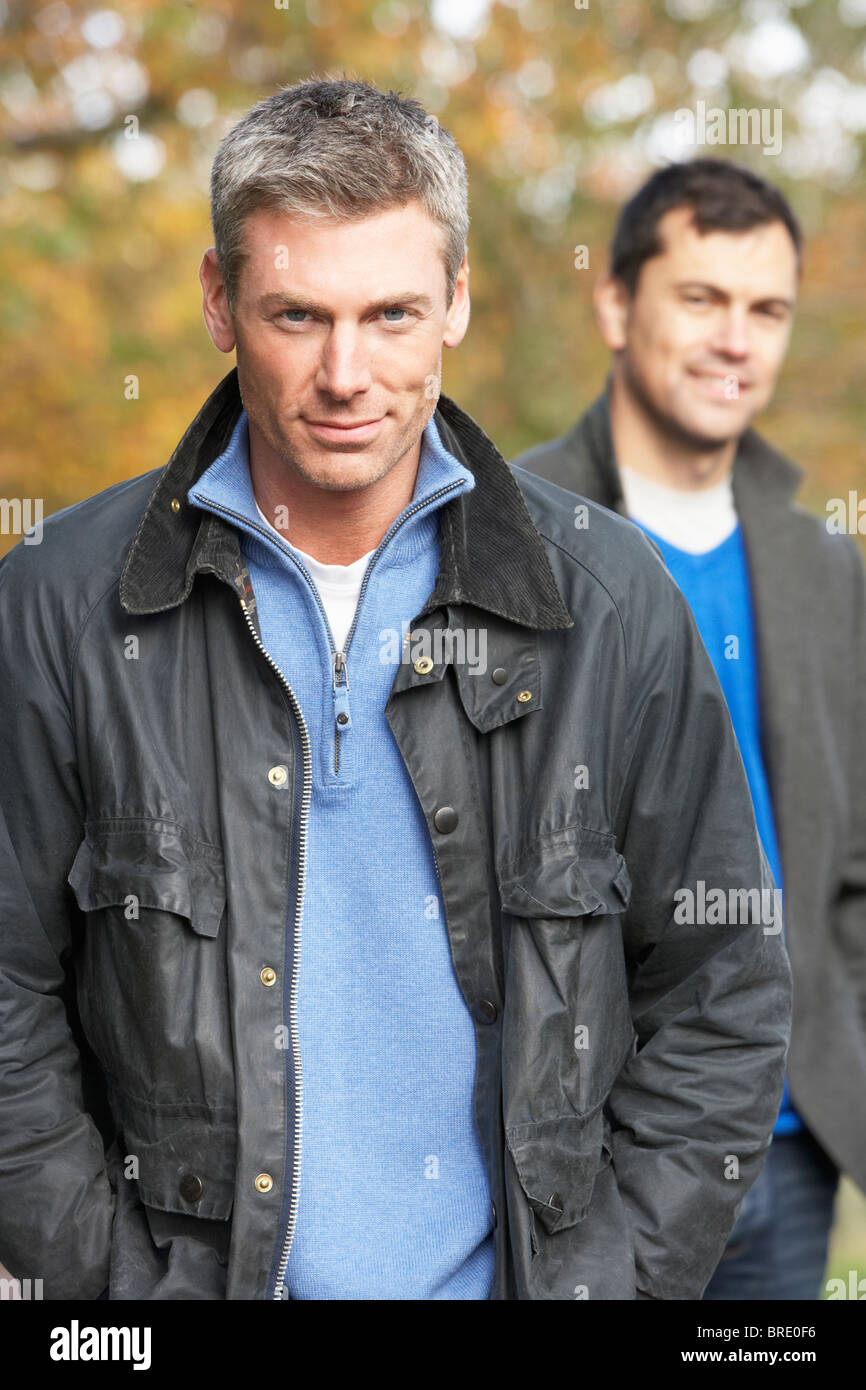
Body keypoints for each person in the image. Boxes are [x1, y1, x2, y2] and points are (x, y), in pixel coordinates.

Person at [0, 83, 791, 1302]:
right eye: (296, 314)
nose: (344, 372)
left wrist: (605, 1286)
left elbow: (722, 984)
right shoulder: (59, 604)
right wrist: (117, 1296)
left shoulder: (608, 604)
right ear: (220, 302)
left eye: (391, 313)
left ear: (456, 304)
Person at [513, 157, 866, 1300]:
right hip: (580, 1131)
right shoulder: (507, 533)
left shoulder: (824, 566)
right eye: (700, 299)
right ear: (616, 304)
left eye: (764, 309)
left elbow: (849, 862)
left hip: (791, 1130)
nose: (735, 340)